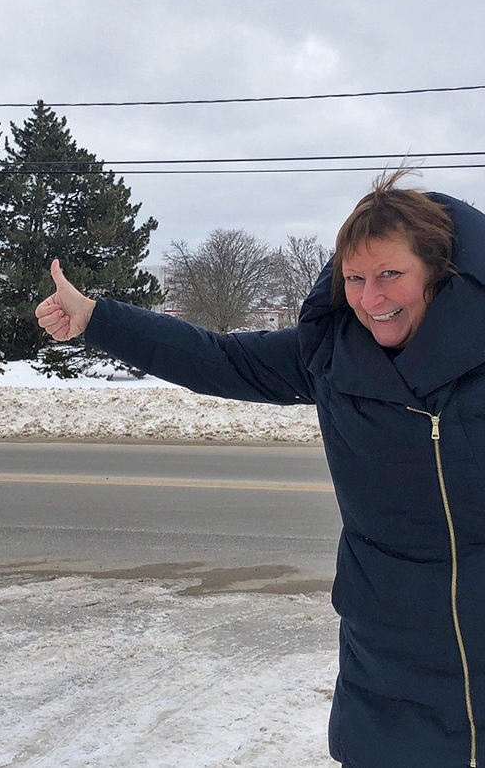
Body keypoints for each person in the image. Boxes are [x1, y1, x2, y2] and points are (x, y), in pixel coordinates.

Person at [35, 170, 485, 768]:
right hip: (386, 655)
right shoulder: (330, 357)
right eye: (354, 278)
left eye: (389, 275)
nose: (370, 299)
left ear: (437, 270)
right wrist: (97, 318)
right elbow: (216, 357)